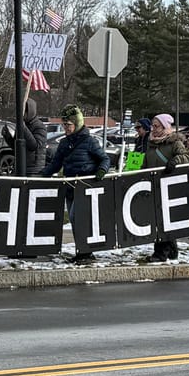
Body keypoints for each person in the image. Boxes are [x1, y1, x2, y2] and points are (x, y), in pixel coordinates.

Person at [40, 104, 110, 264]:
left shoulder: (90, 141)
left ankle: (86, 251)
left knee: (76, 217)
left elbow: (104, 159)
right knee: (74, 221)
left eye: (68, 125)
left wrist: (101, 171)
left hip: (84, 187)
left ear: (76, 124)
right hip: (70, 188)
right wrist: (42, 174)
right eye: (64, 125)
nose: (66, 128)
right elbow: (56, 164)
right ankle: (82, 251)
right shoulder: (64, 143)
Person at [141, 114, 188, 261]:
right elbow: (146, 162)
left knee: (163, 221)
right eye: (152, 126)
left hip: (168, 187)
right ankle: (172, 250)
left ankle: (160, 253)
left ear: (165, 127)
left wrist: (174, 161)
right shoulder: (150, 143)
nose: (153, 129)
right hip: (153, 186)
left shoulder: (175, 143)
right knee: (158, 220)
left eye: (156, 126)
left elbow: (186, 157)